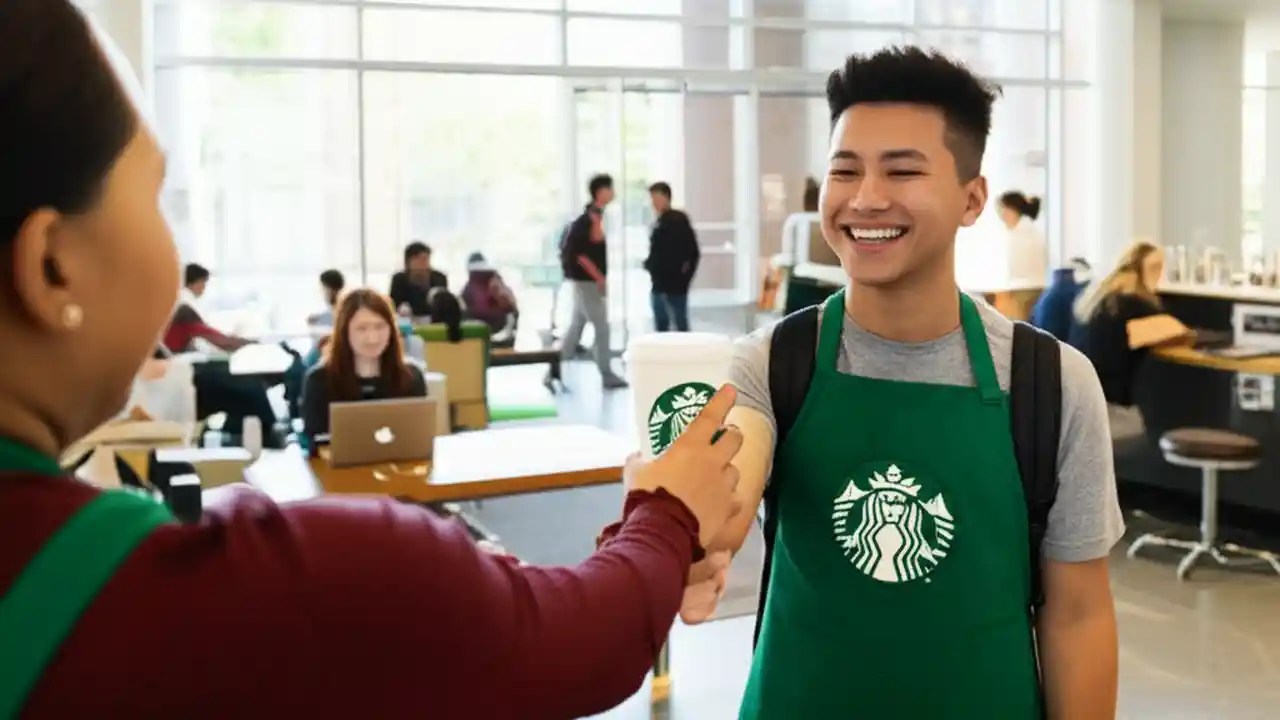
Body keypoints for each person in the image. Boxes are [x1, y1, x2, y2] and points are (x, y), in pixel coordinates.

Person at [0, 4, 745, 717]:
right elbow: (576, 641)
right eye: (156, 197)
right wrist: (668, 512)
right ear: (53, 266)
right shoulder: (299, 586)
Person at [679, 48, 1122, 718]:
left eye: (903, 170)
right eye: (845, 171)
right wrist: (686, 527)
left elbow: (1078, 615)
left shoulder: (1051, 383)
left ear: (972, 198)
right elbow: (735, 476)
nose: (866, 198)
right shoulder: (773, 361)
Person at [1070, 241, 1177, 444]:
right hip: (1109, 414)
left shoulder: (1096, 299)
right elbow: (1172, 328)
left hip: (1077, 407)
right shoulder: (1133, 304)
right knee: (1142, 426)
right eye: (1156, 269)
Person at [301, 289, 428, 440]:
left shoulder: (411, 376)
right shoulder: (319, 380)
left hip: (401, 462)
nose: (372, 338)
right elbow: (315, 442)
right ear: (344, 331)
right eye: (362, 329)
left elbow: (418, 437)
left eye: (380, 327)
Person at [559, 174, 628, 389]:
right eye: (610, 188)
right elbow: (580, 255)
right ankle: (606, 373)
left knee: (576, 326)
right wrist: (599, 277)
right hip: (586, 282)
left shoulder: (594, 217)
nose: (613, 192)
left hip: (585, 282)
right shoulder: (587, 220)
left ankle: (553, 367)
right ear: (601, 192)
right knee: (601, 326)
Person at [643, 182, 700, 332]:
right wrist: (649, 265)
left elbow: (693, 252)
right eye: (652, 199)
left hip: (675, 285)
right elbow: (656, 252)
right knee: (661, 326)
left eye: (657, 198)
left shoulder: (678, 220)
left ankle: (685, 355)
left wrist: (685, 277)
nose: (654, 203)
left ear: (667, 198)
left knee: (680, 325)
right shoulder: (657, 223)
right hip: (658, 283)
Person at [163, 264, 252, 354]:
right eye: (203, 282)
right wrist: (247, 343)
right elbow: (210, 336)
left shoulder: (176, 300)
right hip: (178, 355)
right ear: (194, 282)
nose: (204, 287)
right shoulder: (186, 305)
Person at [460, 251, 518, 345]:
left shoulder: (493, 282)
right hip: (489, 333)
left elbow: (510, 307)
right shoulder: (473, 286)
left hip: (492, 333)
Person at [998, 190, 1050, 286]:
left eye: (1004, 209)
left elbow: (1019, 274)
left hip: (1026, 290)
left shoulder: (1024, 235)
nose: (1002, 215)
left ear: (1014, 210)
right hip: (1031, 288)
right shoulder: (1027, 230)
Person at [388, 242, 447, 318]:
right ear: (408, 262)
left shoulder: (439, 278)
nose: (425, 264)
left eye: (427, 259)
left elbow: (442, 305)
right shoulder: (399, 279)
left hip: (434, 323)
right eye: (420, 260)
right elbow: (394, 306)